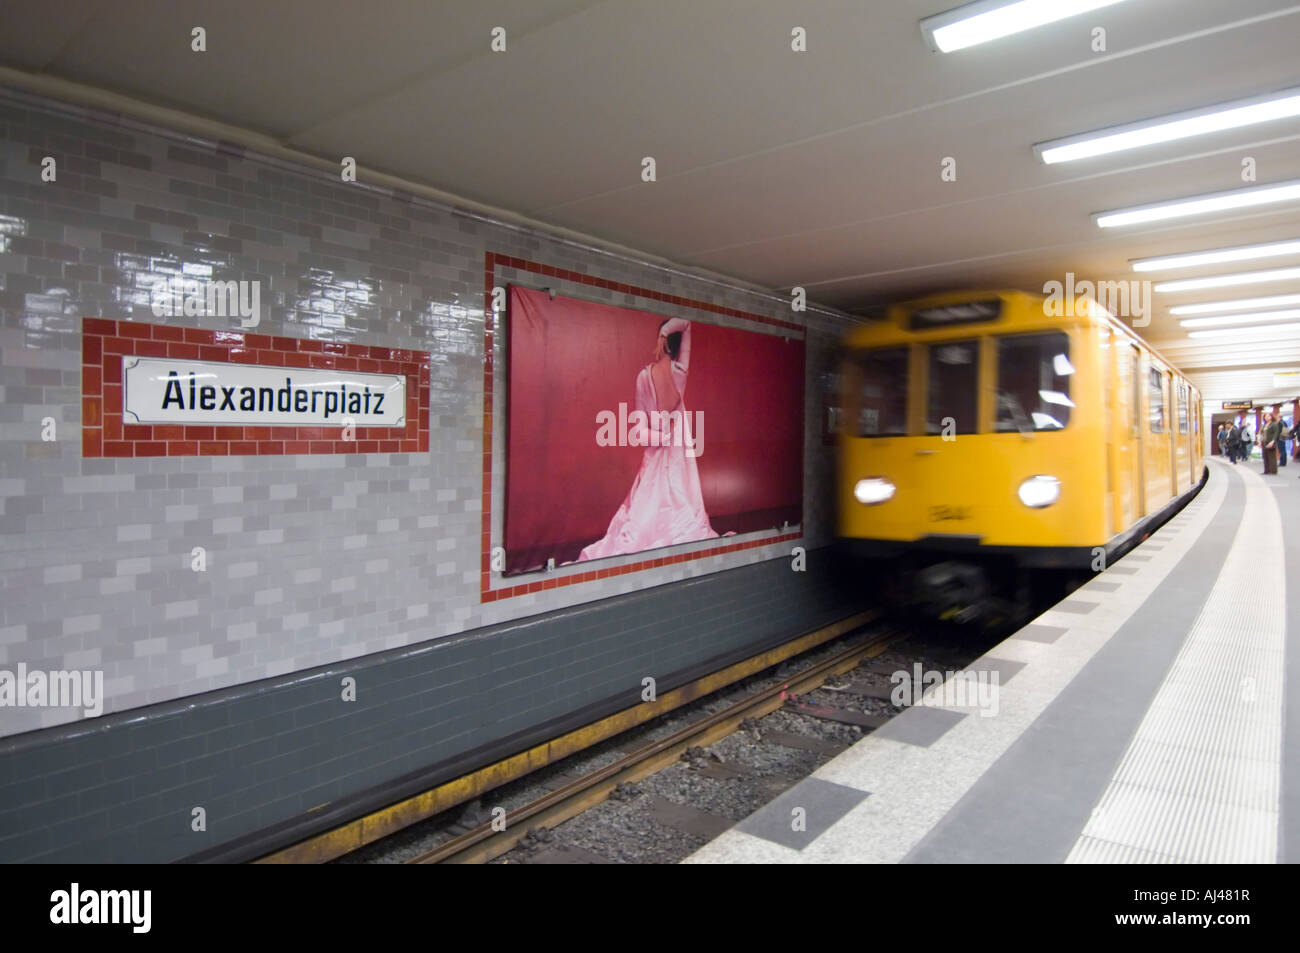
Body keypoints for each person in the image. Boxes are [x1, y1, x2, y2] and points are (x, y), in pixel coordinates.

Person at [578, 318, 718, 560]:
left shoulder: (644, 377)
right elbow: (686, 323)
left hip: (656, 456)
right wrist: (665, 332)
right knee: (679, 507)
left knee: (647, 512)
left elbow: (640, 432)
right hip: (676, 457)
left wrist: (660, 436)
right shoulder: (679, 374)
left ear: (662, 343)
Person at [1260, 410, 1283, 475]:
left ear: (1271, 417)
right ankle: (1266, 470)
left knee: (1271, 456)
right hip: (1264, 442)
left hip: (1270, 442)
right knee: (1265, 456)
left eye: (1268, 416)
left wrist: (1273, 441)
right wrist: (1260, 441)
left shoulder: (1274, 425)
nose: (1266, 417)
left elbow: (1276, 433)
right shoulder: (1264, 425)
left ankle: (1273, 470)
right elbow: (1261, 433)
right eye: (1265, 416)